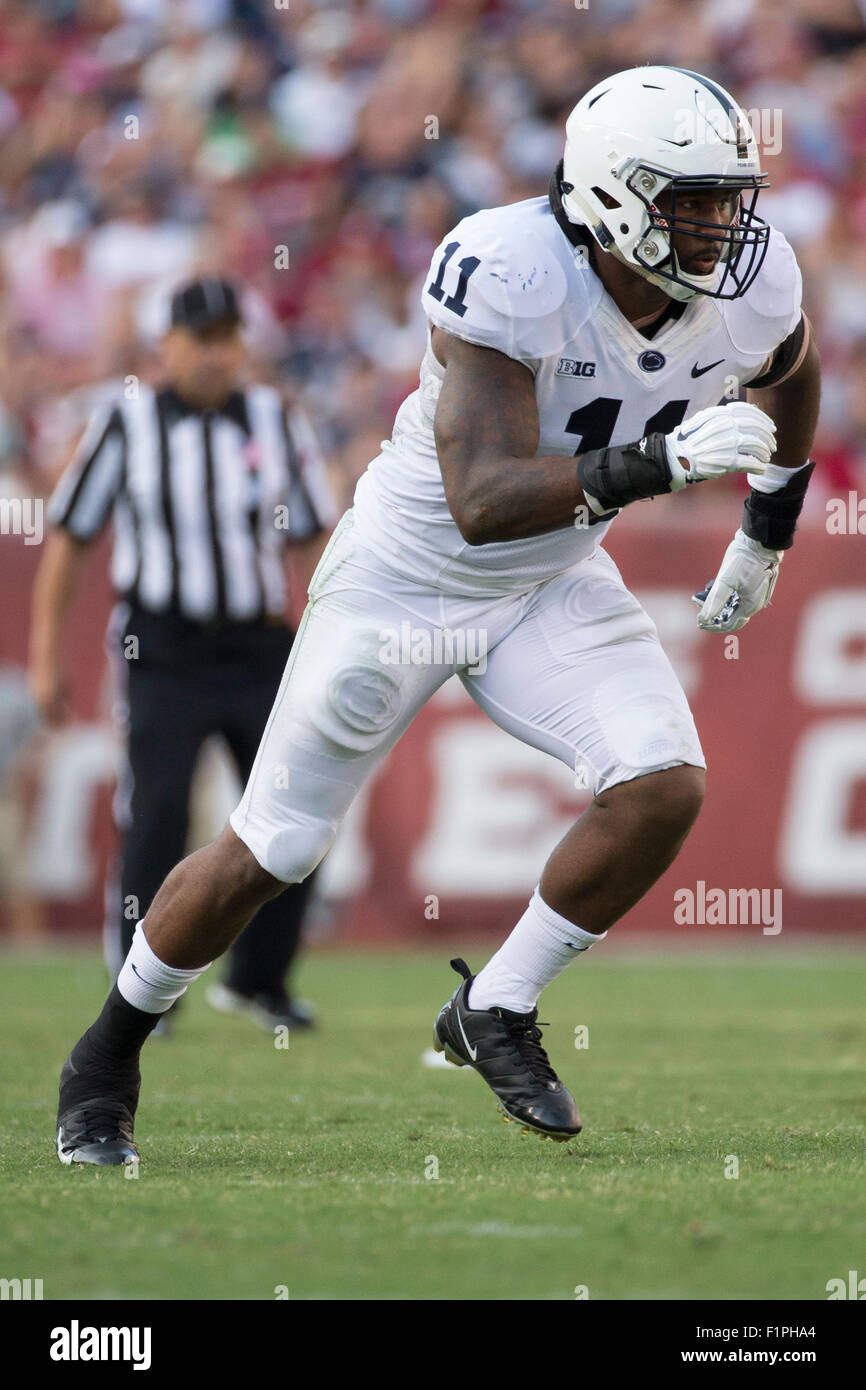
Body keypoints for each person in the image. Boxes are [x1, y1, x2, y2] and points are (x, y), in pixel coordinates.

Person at [54, 67, 819, 1165]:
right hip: (408, 576)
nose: (718, 227)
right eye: (688, 200)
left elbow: (790, 373)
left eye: (726, 198)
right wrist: (658, 458)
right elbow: (484, 498)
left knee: (659, 784)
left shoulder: (750, 281)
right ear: (610, 193)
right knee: (272, 846)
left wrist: (766, 528)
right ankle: (107, 1052)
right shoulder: (509, 265)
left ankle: (493, 1008)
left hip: (549, 578)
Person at [30, 277, 335, 1041]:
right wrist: (44, 656)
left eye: (229, 338)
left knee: (297, 811)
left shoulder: (273, 419)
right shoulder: (126, 422)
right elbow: (69, 536)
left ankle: (260, 981)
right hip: (162, 647)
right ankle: (144, 990)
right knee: (158, 815)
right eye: (201, 338)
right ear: (166, 346)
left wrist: (336, 643)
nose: (216, 354)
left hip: (261, 645)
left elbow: (312, 540)